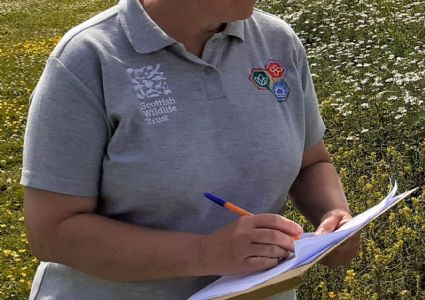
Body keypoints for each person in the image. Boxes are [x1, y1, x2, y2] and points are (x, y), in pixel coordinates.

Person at [20, 0, 359, 298]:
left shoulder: (276, 41)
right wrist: (206, 252)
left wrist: (334, 219)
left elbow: (310, 161)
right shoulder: (88, 57)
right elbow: (52, 231)